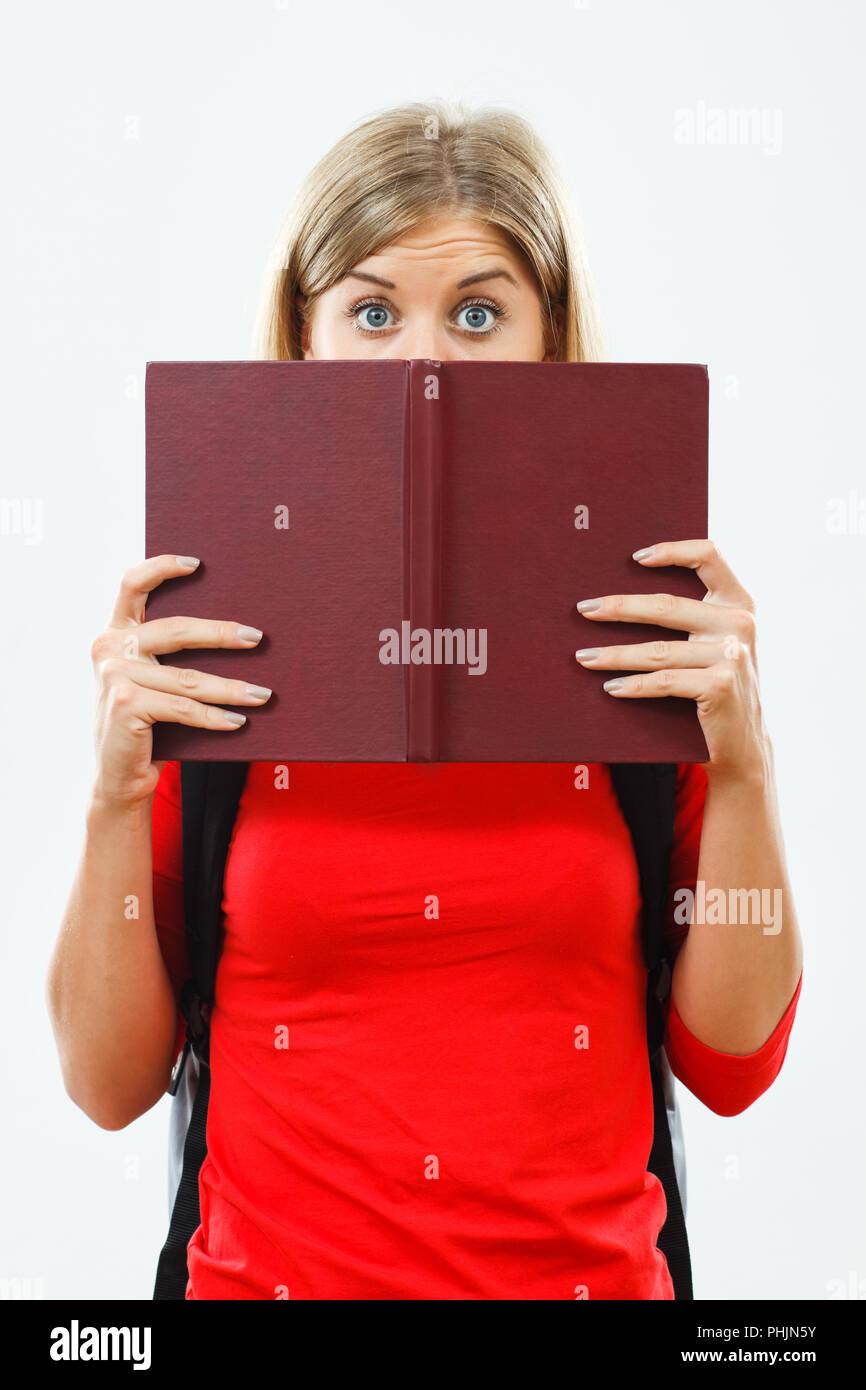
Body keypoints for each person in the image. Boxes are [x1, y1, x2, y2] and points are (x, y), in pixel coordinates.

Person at [47, 100, 803, 1300]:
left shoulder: (638, 634)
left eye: (476, 313)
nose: (424, 360)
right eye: (371, 309)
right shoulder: (221, 635)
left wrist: (746, 760)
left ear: (549, 343)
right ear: (305, 342)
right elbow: (103, 1083)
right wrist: (109, 797)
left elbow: (731, 1066)